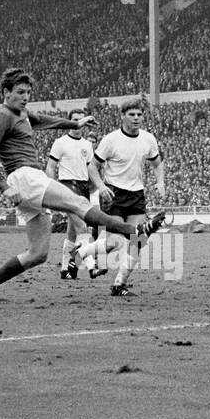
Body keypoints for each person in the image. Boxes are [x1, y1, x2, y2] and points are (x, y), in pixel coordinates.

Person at [0, 68, 165, 317]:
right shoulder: (2, 116)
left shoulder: (22, 113)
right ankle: (134, 230)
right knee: (77, 203)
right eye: (20, 92)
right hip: (24, 176)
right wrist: (5, 187)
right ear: (6, 92)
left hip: (26, 181)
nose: (25, 97)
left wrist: (74, 123)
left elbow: (44, 121)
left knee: (37, 254)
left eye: (28, 92)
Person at [77, 97, 165, 296]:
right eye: (131, 115)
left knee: (138, 239)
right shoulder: (111, 140)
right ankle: (81, 251)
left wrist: (160, 182)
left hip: (136, 195)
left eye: (139, 115)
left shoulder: (148, 139)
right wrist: (100, 186)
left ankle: (119, 284)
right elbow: (92, 167)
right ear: (123, 116)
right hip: (113, 194)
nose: (136, 118)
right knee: (113, 243)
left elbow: (158, 163)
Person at [46, 111, 102, 280]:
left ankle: (65, 269)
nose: (78, 123)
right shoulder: (60, 142)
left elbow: (91, 169)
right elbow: (50, 167)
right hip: (67, 186)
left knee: (72, 232)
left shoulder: (87, 145)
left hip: (83, 187)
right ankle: (92, 266)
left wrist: (99, 185)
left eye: (80, 120)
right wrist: (53, 187)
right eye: (75, 120)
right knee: (83, 228)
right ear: (69, 122)